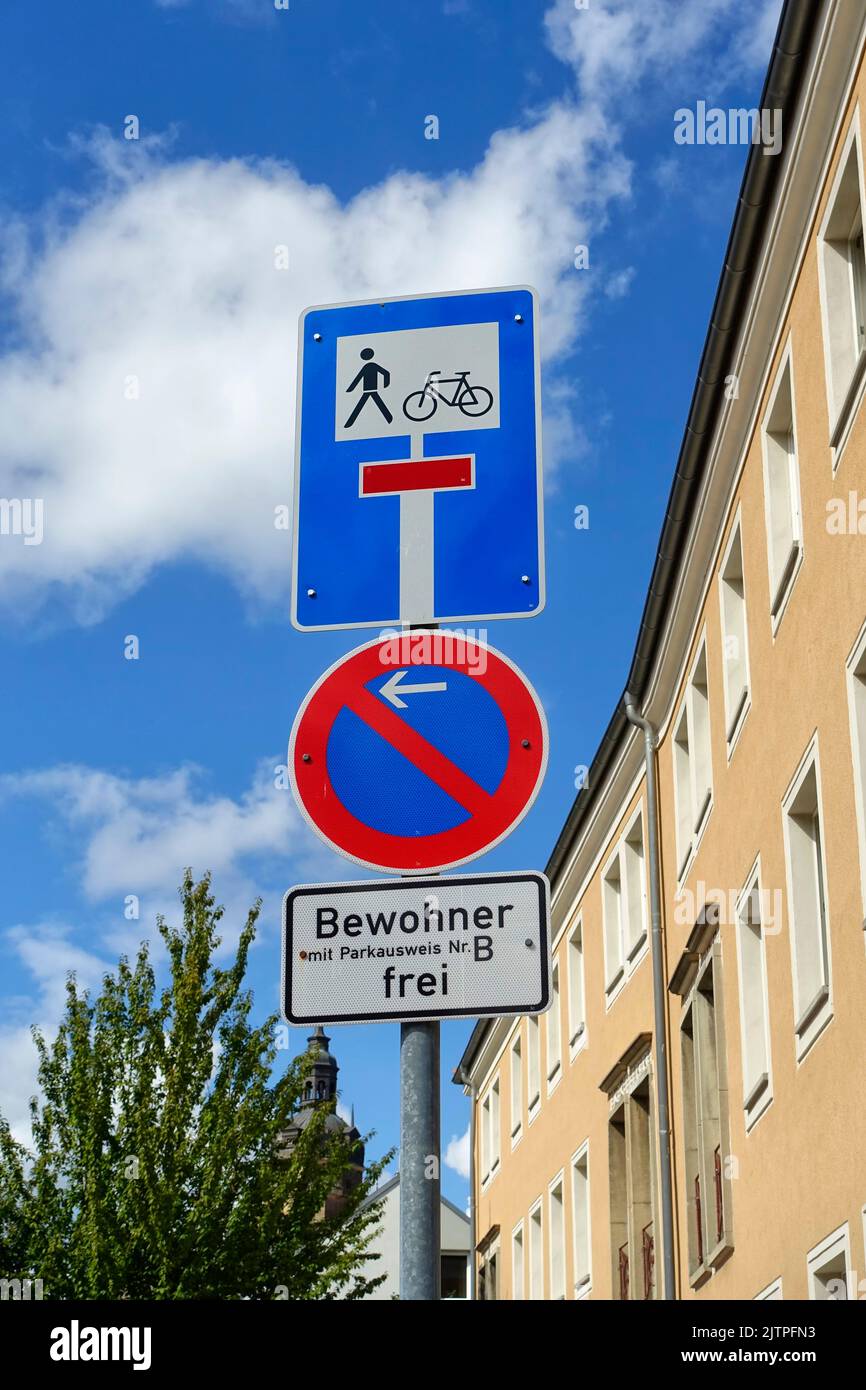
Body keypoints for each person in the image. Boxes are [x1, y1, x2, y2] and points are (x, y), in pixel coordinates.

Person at [344, 348, 394, 427]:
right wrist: (351, 388)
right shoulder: (368, 366)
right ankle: (389, 418)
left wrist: (385, 384)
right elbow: (358, 378)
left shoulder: (371, 366)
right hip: (367, 390)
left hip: (371, 389)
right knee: (372, 403)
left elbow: (385, 373)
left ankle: (349, 423)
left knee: (361, 405)